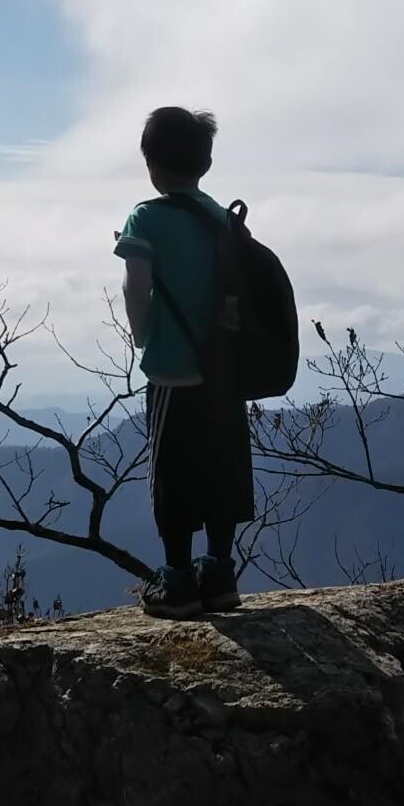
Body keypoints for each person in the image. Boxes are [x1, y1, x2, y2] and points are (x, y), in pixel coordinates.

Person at [113, 106, 253, 619]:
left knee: (172, 473)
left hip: (174, 364)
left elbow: (136, 287)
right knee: (222, 466)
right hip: (225, 368)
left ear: (150, 163)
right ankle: (220, 572)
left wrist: (142, 335)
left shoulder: (146, 217)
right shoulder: (222, 217)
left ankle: (177, 580)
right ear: (207, 163)